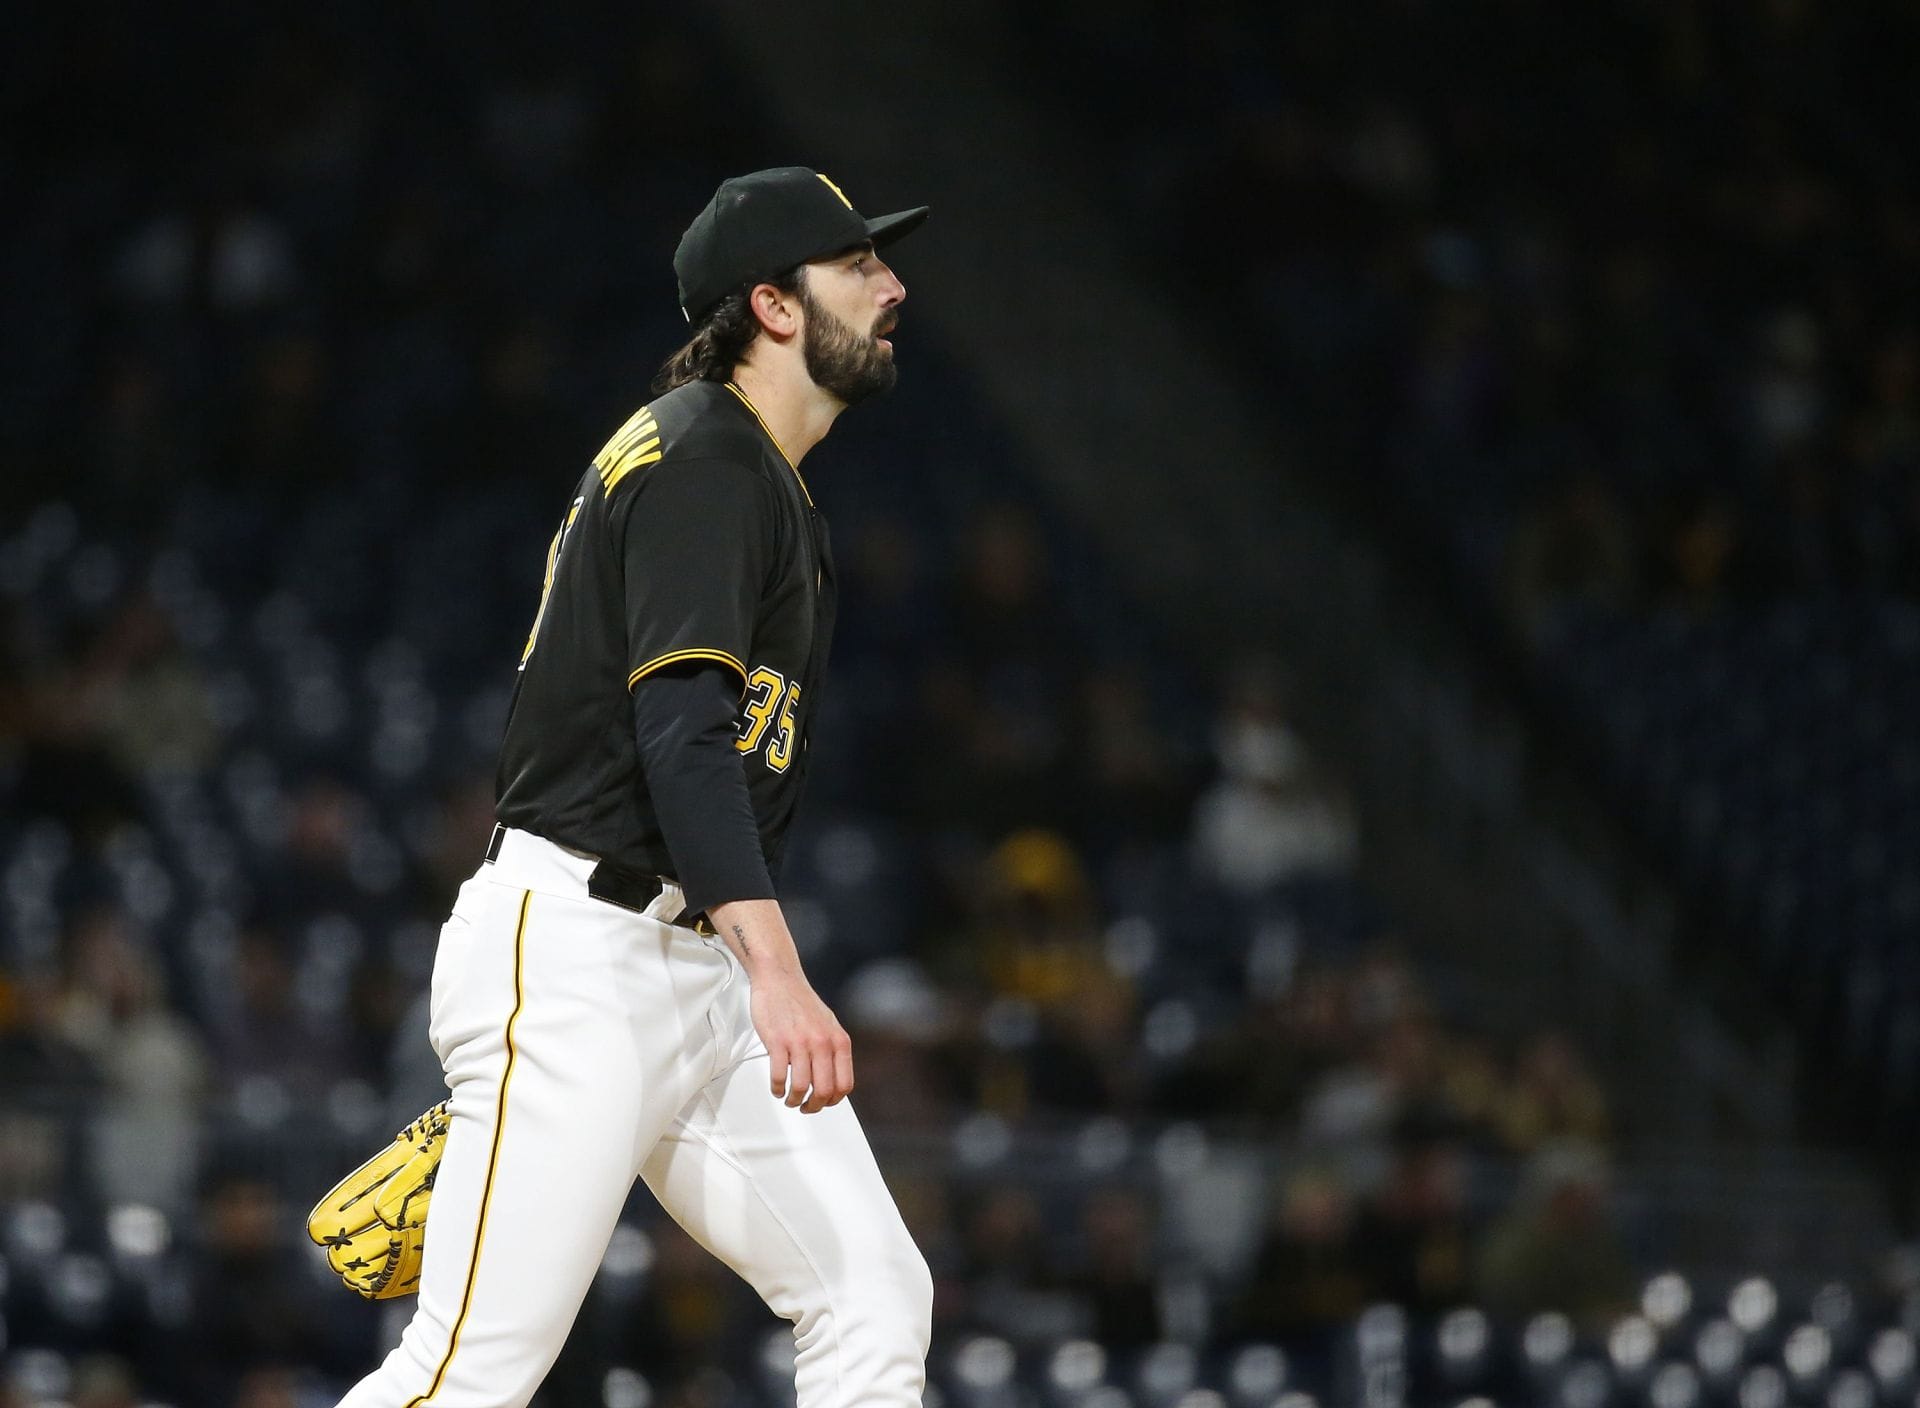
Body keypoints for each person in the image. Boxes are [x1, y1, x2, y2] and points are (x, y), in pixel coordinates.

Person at [335, 167, 933, 1408]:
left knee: (874, 1298)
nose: (894, 285)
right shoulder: (710, 456)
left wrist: (738, 960)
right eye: (858, 265)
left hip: (678, 963)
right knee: (467, 1374)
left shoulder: (756, 474)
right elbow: (682, 736)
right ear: (773, 304)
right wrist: (779, 970)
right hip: (580, 960)